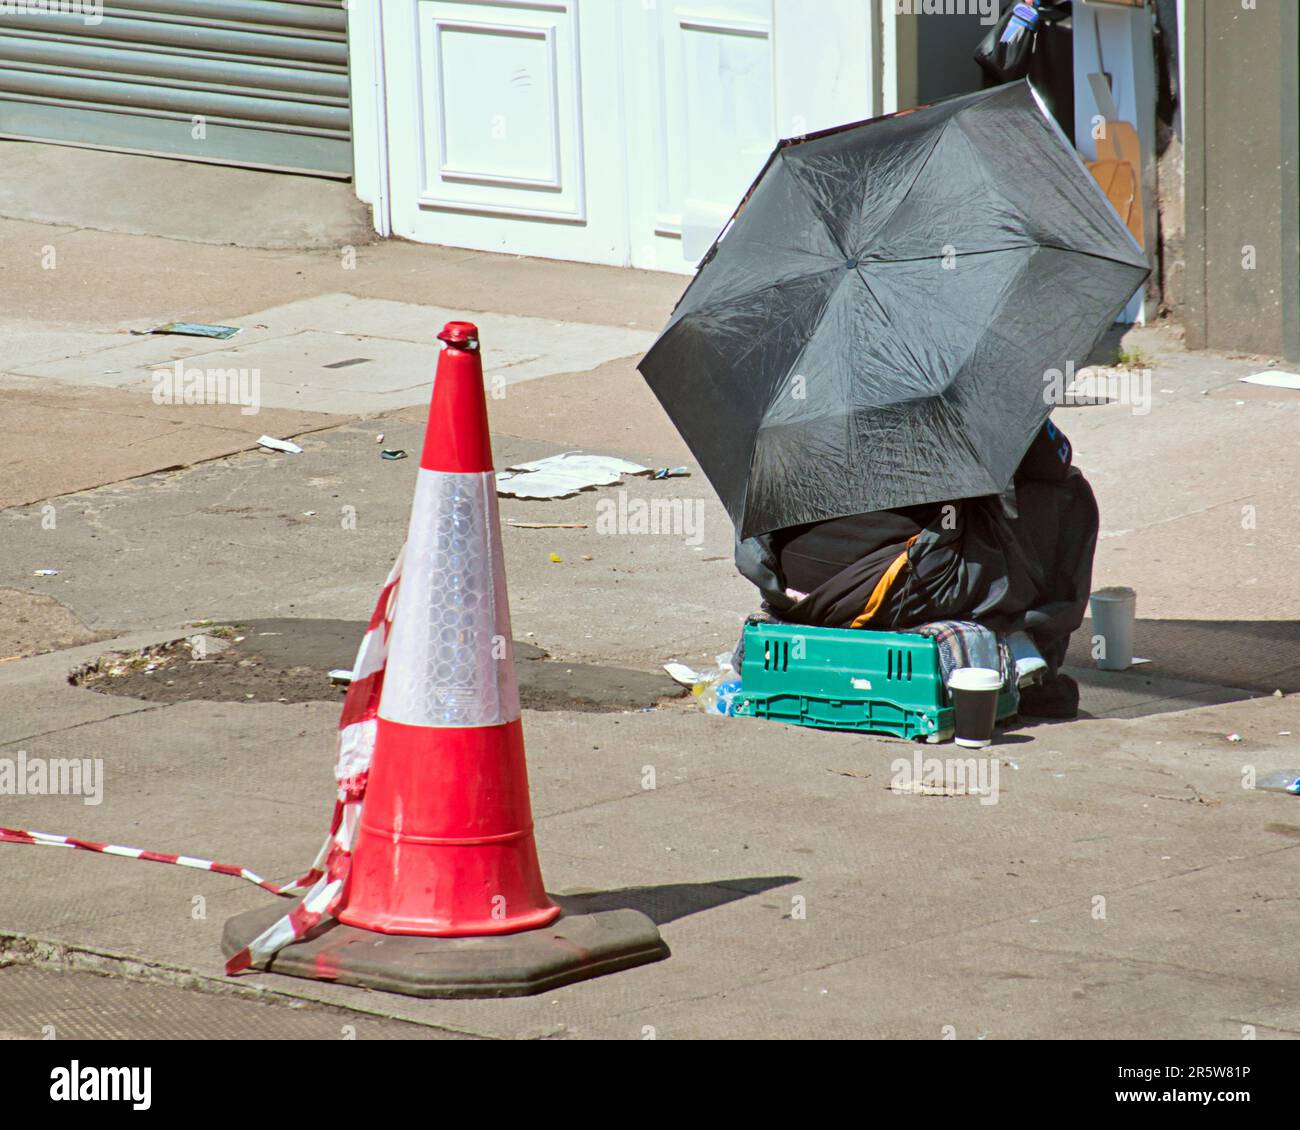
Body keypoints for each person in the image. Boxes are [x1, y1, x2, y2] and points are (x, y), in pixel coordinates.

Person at [735, 419, 1097, 718]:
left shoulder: (792, 399)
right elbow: (1056, 461)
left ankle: (1013, 641)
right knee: (1068, 492)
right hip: (902, 588)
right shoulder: (944, 394)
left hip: (796, 589)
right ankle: (1032, 658)